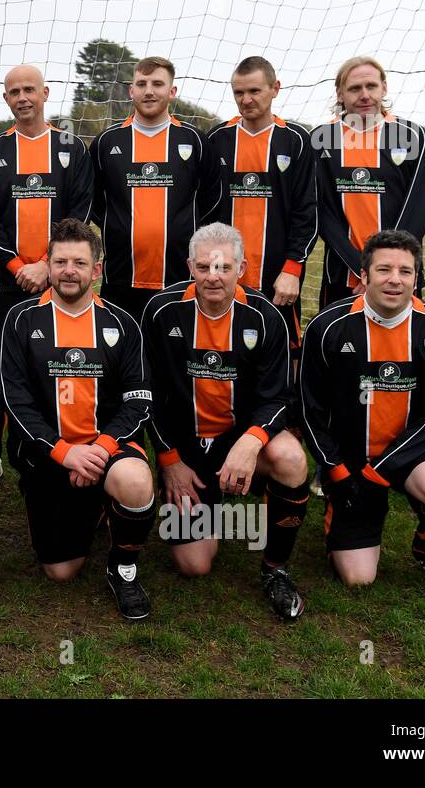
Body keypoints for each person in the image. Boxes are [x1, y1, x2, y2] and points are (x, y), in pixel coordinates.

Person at [142, 223, 311, 620]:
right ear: (189, 266)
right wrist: (169, 462)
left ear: (242, 269)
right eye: (203, 267)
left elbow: (279, 397)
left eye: (223, 267)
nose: (213, 276)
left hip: (240, 440)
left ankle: (275, 569)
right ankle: (215, 510)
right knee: (193, 565)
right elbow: (146, 394)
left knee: (291, 459)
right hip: (186, 451)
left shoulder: (267, 317)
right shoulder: (161, 311)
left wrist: (249, 444)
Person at [0, 218, 158, 620]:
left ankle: (123, 569)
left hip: (105, 449)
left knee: (136, 481)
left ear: (97, 270)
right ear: (47, 265)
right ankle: (94, 506)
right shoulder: (20, 320)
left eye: (80, 263)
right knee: (60, 571)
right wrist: (64, 453)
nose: (70, 270)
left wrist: (101, 450)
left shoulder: (122, 324)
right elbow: (15, 401)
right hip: (49, 453)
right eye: (61, 261)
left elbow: (138, 401)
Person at [300, 230, 425, 597]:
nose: (395, 279)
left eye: (406, 272)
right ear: (364, 277)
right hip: (352, 459)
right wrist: (337, 470)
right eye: (384, 269)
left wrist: (386, 468)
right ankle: (346, 506)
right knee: (358, 579)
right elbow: (309, 409)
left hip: (411, 453)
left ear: (416, 278)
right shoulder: (328, 327)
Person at [90, 56, 222, 324]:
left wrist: (183, 227)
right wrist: (118, 225)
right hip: (121, 277)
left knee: (173, 356)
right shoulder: (107, 141)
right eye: (141, 84)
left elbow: (211, 198)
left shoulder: (194, 140)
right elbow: (93, 199)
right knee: (124, 356)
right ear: (131, 90)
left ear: (172, 91)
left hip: (180, 275)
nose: (148, 91)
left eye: (157, 84)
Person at [0, 64, 93, 344]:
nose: (22, 98)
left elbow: (80, 213)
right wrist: (16, 266)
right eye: (15, 92)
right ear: (6, 99)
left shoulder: (71, 148)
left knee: (58, 350)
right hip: (5, 278)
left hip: (60, 274)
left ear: (45, 93)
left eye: (29, 90)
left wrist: (46, 264)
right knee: (3, 355)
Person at [203, 56, 316, 346]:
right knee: (224, 346)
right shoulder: (217, 138)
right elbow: (203, 208)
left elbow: (307, 210)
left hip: (277, 273)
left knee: (282, 348)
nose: (246, 99)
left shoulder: (296, 140)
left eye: (255, 91)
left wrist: (292, 269)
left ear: (275, 88)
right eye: (239, 93)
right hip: (223, 270)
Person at [312, 56, 425, 309]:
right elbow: (321, 211)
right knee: (337, 346)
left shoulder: (411, 135)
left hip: (398, 275)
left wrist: (383, 267)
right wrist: (361, 268)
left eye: (371, 86)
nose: (364, 95)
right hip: (342, 274)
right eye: (355, 88)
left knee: (401, 346)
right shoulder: (322, 138)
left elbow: (419, 207)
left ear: (384, 88)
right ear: (340, 93)